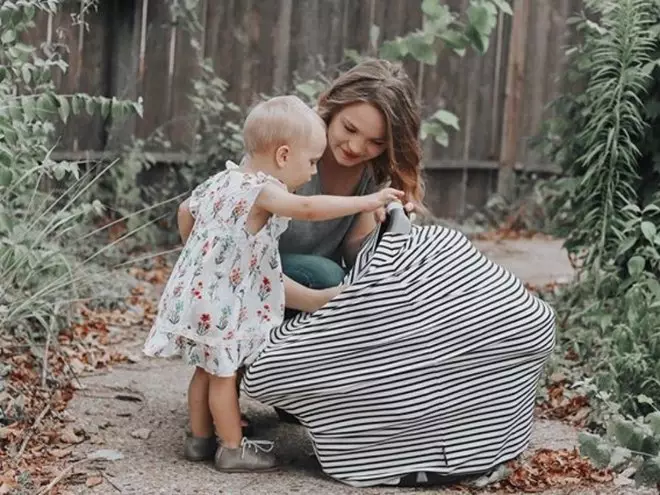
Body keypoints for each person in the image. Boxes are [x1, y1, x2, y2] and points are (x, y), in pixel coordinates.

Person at [143, 95, 404, 472]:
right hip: (223, 303)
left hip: (198, 294)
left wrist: (199, 256)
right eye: (311, 161)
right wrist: (366, 203)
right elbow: (309, 209)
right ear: (283, 156)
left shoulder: (221, 181)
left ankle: (199, 440)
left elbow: (186, 213)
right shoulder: (262, 190)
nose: (313, 172)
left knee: (204, 369)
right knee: (223, 374)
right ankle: (232, 447)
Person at [278, 58, 426, 295]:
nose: (356, 148)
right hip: (254, 272)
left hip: (318, 286)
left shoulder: (370, 171)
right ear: (331, 107)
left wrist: (382, 230)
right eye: (349, 128)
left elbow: (355, 256)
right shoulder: (291, 137)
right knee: (327, 274)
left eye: (376, 142)